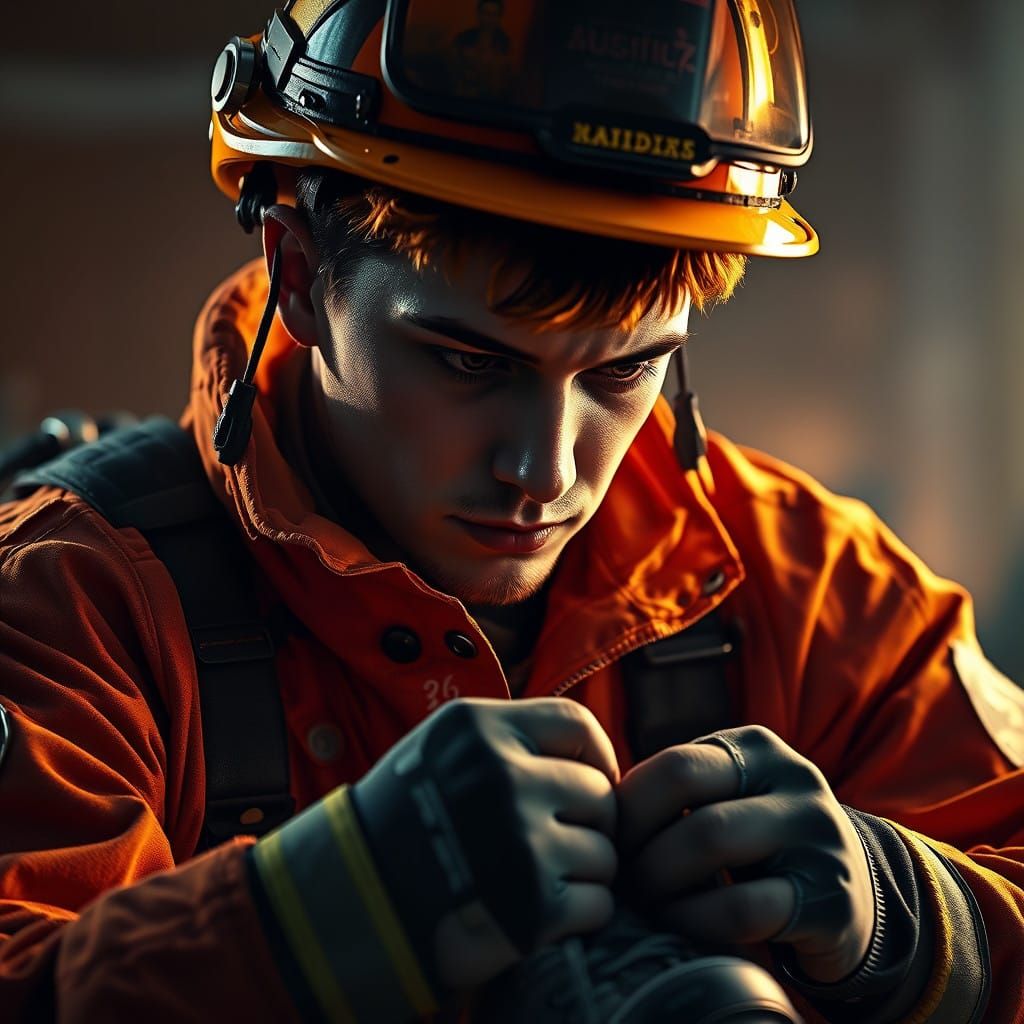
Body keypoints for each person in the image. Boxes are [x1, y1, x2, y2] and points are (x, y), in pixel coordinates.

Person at [1, 1, 1022, 1021]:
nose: (544, 470)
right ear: (299, 274)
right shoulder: (73, 606)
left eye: (625, 370)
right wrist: (315, 913)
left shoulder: (815, 586)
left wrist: (906, 915)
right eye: (469, 363)